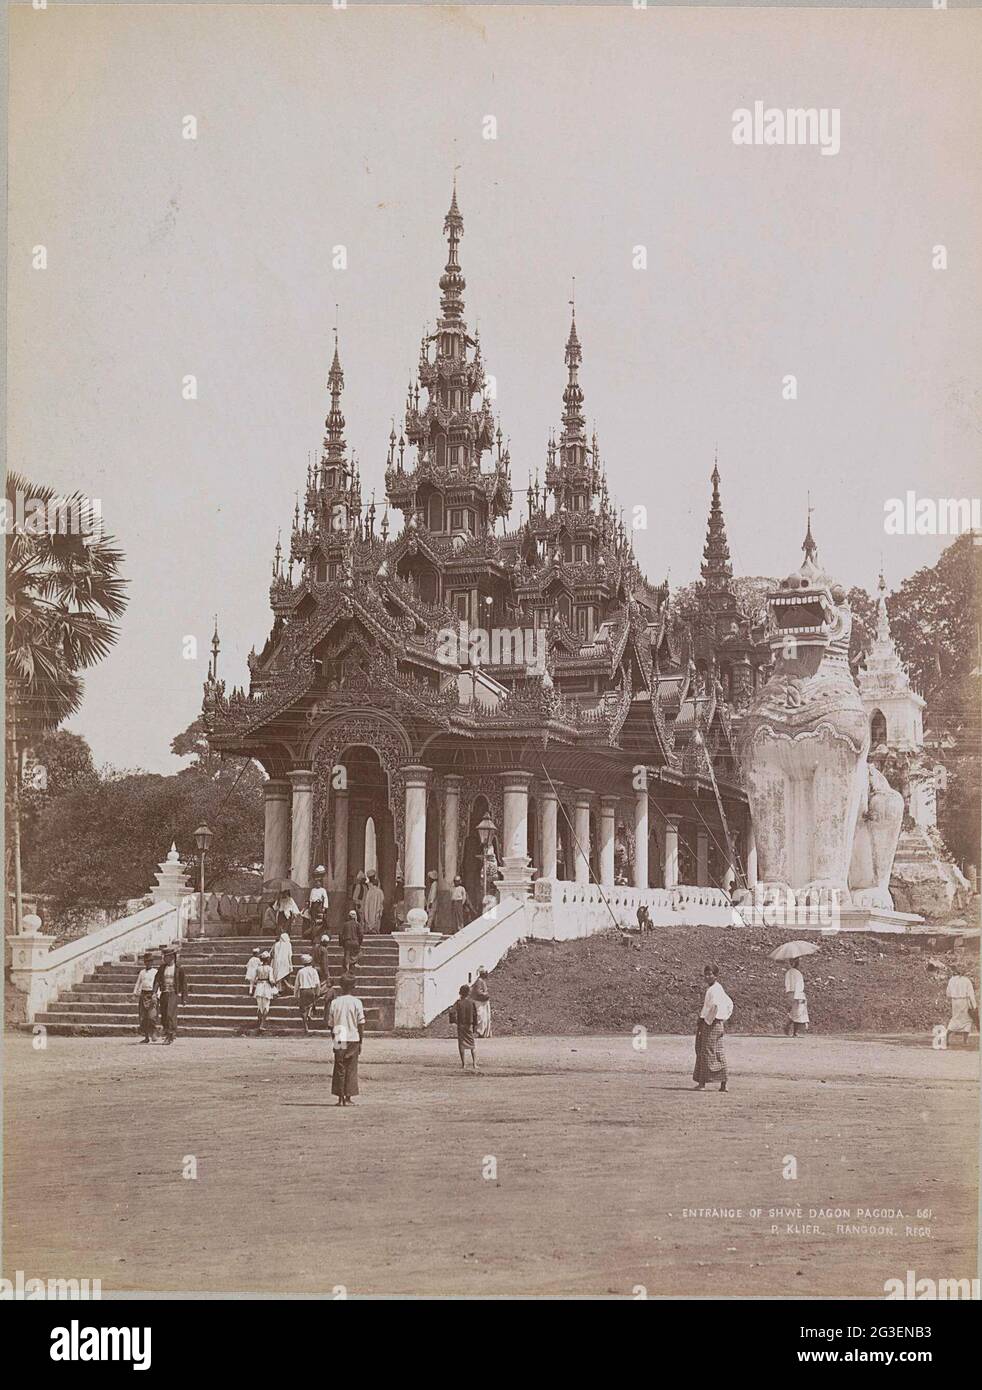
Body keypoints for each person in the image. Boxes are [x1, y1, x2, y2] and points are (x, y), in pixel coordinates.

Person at [693, 963, 732, 1092]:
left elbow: (714, 1007)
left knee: (706, 1052)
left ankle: (702, 1083)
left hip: (712, 1023)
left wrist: (705, 1020)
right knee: (718, 1052)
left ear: (716, 976)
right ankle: (723, 1083)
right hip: (718, 1023)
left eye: (710, 974)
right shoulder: (718, 988)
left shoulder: (714, 990)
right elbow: (728, 1003)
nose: (708, 976)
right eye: (706, 974)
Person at [328, 975, 365, 1105]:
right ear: (353, 987)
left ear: (341, 986)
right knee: (351, 1067)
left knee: (339, 1065)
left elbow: (331, 1024)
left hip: (339, 1033)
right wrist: (360, 1041)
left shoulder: (335, 1002)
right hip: (353, 1036)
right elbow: (361, 1023)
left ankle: (340, 1097)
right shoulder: (357, 1002)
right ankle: (348, 1097)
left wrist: (334, 1039)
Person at [152, 948, 189, 1044]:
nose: (164, 958)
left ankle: (170, 1034)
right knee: (164, 1014)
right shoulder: (162, 968)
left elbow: (184, 984)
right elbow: (157, 981)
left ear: (172, 957)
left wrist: (184, 997)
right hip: (164, 993)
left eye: (166, 957)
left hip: (173, 993)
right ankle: (168, 1033)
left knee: (170, 1014)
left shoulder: (178, 969)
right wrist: (154, 992)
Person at [946, 968, 978, 1046]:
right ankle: (964, 1041)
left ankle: (946, 1037)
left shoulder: (951, 980)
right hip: (964, 1001)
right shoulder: (966, 980)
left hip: (955, 1001)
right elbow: (971, 994)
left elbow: (948, 993)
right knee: (967, 1020)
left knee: (955, 1018)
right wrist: (974, 1006)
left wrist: (953, 997)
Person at [450, 984, 479, 1070]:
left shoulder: (458, 1003)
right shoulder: (472, 1002)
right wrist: (475, 1025)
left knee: (461, 1045)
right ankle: (474, 1064)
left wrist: (454, 1021)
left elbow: (452, 1012)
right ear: (468, 993)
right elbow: (475, 1015)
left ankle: (464, 1064)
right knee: (472, 1045)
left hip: (461, 1025)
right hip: (469, 1025)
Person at [132, 952, 158, 1043]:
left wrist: (156, 994)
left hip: (152, 994)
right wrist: (135, 993)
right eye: (146, 961)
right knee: (143, 1017)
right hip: (143, 994)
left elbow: (158, 984)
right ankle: (146, 1036)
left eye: (150, 961)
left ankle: (154, 1032)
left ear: (152, 962)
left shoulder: (155, 972)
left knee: (152, 1016)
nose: (148, 963)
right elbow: (138, 983)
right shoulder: (142, 972)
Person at [294, 954, 321, 1035]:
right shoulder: (314, 971)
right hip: (311, 989)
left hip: (303, 990)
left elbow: (297, 984)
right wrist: (318, 992)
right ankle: (309, 1013)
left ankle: (306, 1027)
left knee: (303, 1009)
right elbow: (317, 983)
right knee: (311, 1003)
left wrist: (296, 994)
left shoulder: (300, 971)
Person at [783, 959, 809, 1037]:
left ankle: (791, 1029)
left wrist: (789, 994)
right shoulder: (797, 973)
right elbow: (799, 985)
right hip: (798, 994)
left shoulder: (788, 973)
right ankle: (793, 1030)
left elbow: (787, 984)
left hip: (790, 993)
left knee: (794, 1012)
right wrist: (798, 996)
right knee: (798, 1012)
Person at [253, 951, 276, 1034]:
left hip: (259, 987)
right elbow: (271, 980)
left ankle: (259, 1023)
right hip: (266, 987)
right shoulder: (269, 968)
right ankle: (262, 1024)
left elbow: (255, 979)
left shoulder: (258, 968)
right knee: (266, 1006)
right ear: (268, 959)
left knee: (259, 1006)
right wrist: (274, 984)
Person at [308, 868, 329, 941]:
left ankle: (321, 934)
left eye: (319, 882)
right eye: (316, 882)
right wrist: (310, 907)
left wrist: (324, 907)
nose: (317, 884)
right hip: (314, 905)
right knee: (313, 920)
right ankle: (313, 934)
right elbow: (310, 899)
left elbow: (325, 898)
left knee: (320, 920)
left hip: (319, 905)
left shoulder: (323, 890)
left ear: (320, 883)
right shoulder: (313, 890)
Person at [271, 928, 294, 996]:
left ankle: (278, 989)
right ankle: (285, 990)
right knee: (284, 975)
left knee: (278, 975)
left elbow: (273, 953)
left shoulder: (276, 944)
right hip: (285, 962)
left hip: (277, 961)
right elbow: (290, 955)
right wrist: (290, 964)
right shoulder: (288, 944)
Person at [471, 967, 492, 1038]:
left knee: (486, 1017)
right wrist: (485, 994)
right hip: (479, 1002)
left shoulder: (482, 981)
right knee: (481, 1017)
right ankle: (480, 1032)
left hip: (484, 1001)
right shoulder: (479, 981)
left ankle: (485, 1032)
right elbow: (478, 992)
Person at [340, 910, 363, 975]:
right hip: (355, 941)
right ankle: (353, 964)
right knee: (357, 954)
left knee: (347, 955)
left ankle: (347, 970)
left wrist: (341, 943)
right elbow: (361, 934)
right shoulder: (357, 924)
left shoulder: (345, 924)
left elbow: (341, 934)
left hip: (347, 941)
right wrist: (359, 942)